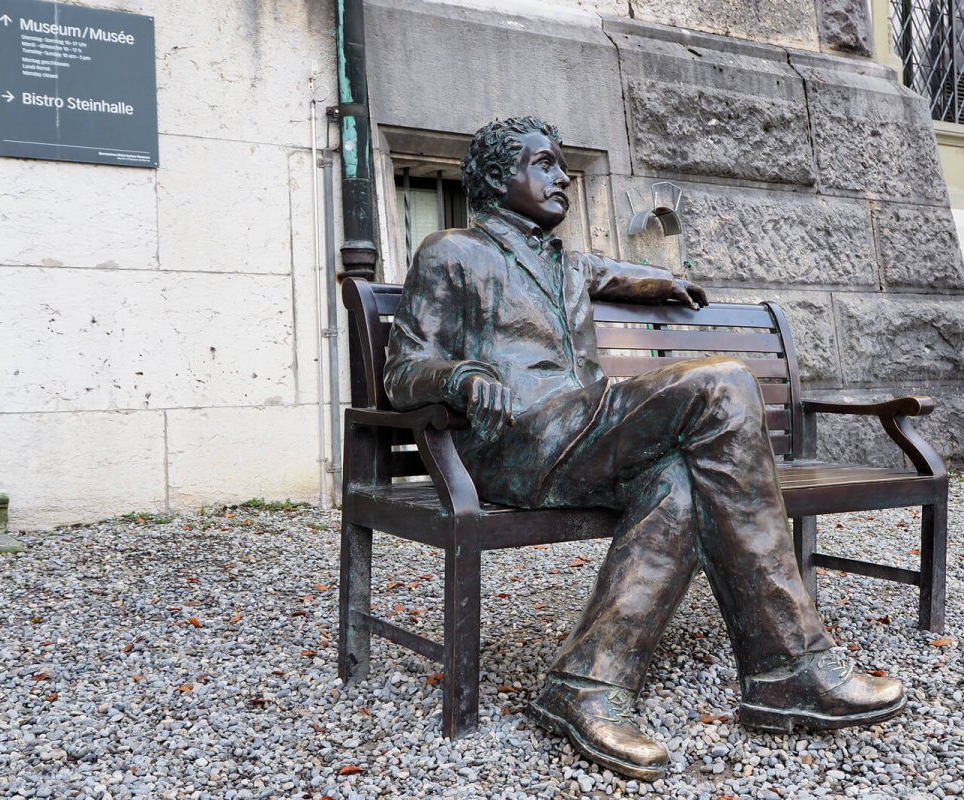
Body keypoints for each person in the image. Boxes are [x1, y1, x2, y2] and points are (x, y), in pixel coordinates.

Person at [384, 116, 905, 781]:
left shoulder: (564, 261)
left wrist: (660, 283)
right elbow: (403, 370)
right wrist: (456, 376)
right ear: (492, 178)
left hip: (581, 430)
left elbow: (615, 272)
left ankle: (589, 683)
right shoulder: (451, 252)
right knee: (722, 382)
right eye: (540, 165)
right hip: (514, 443)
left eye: (559, 165)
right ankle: (791, 665)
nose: (558, 178)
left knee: (681, 483)